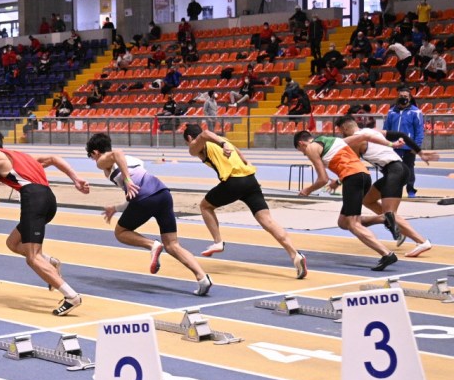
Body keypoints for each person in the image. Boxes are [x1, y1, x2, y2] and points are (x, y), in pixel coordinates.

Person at [0, 130, 90, 316]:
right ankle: (51, 262)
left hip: (33, 199)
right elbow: (54, 158)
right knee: (12, 243)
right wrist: (76, 178)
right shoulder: (19, 155)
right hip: (49, 200)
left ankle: (71, 296)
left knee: (32, 257)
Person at [86, 134, 213, 296]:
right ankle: (202, 278)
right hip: (162, 193)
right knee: (173, 244)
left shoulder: (102, 161)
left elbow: (118, 153)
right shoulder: (132, 160)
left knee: (120, 232)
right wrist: (116, 208)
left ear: (95, 152)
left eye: (91, 157)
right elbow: (133, 195)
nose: (93, 161)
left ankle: (152, 245)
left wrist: (127, 179)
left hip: (145, 197)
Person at [182, 125, 307, 278]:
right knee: (267, 220)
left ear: (189, 138)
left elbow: (206, 134)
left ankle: (218, 242)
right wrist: (225, 145)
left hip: (233, 182)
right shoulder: (223, 139)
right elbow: (242, 156)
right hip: (250, 180)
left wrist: (222, 145)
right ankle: (295, 254)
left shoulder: (196, 146)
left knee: (205, 206)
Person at [293, 131, 401, 271]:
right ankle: (383, 218)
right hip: (364, 176)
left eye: (301, 150)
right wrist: (391, 144)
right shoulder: (333, 140)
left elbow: (322, 179)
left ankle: (386, 254)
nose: (304, 153)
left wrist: (308, 190)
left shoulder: (311, 148)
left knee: (352, 224)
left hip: (352, 178)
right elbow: (365, 136)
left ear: (301, 143)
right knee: (343, 222)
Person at [334, 115, 434, 258]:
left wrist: (337, 182)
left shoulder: (356, 141)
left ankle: (421, 241)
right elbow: (401, 135)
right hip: (396, 171)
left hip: (395, 172)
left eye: (340, 132)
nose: (341, 135)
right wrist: (420, 152)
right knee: (367, 200)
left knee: (390, 213)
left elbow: (352, 166)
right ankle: (393, 223)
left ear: (344, 128)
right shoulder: (373, 131)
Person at [383, 90, 425, 197]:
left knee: (409, 168)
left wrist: (416, 146)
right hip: (394, 146)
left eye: (405, 96)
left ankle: (410, 190)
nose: (403, 97)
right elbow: (385, 130)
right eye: (401, 96)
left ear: (410, 98)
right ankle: (394, 189)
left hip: (408, 147)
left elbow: (419, 131)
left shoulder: (416, 112)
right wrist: (386, 144)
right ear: (398, 97)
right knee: (392, 168)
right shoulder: (391, 112)